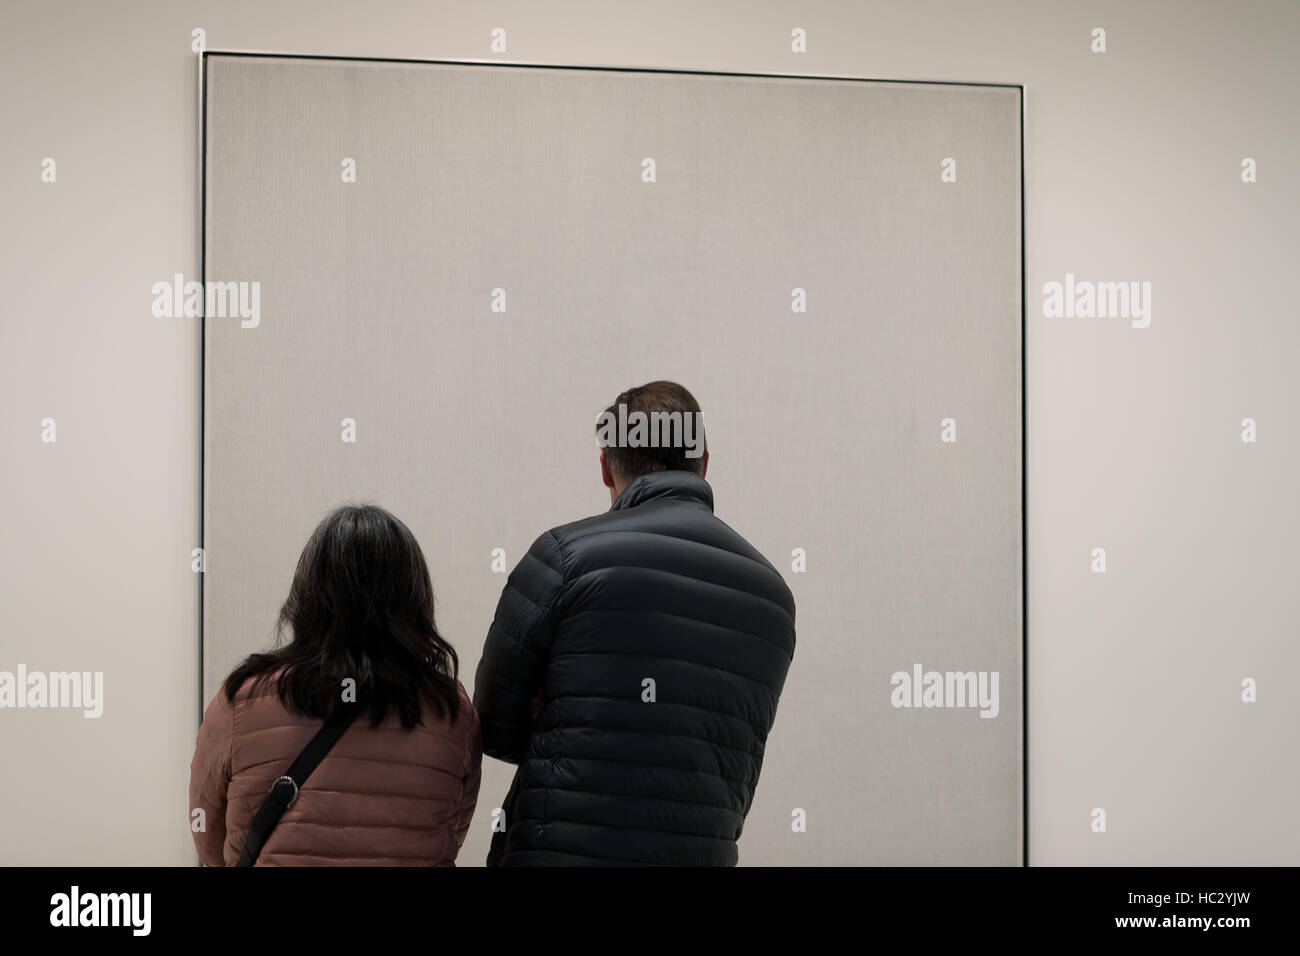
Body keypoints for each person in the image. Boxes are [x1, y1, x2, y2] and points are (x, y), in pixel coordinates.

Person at [474, 381, 796, 865]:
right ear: (704, 460)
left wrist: (569, 721)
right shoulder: (773, 598)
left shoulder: (563, 558)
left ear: (605, 465)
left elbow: (494, 725)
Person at [189, 504, 481, 866]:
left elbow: (207, 832)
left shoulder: (241, 701)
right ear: (414, 598)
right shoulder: (452, 712)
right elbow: (451, 830)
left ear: (309, 594)